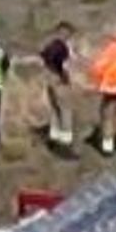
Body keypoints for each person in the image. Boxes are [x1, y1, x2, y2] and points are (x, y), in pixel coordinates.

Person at [38, 21, 77, 151]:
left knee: (55, 109)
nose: (70, 36)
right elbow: (63, 64)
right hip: (59, 80)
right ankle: (66, 142)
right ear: (63, 32)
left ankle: (54, 136)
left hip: (49, 80)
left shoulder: (50, 45)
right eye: (69, 33)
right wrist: (63, 76)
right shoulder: (62, 47)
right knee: (66, 109)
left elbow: (42, 55)